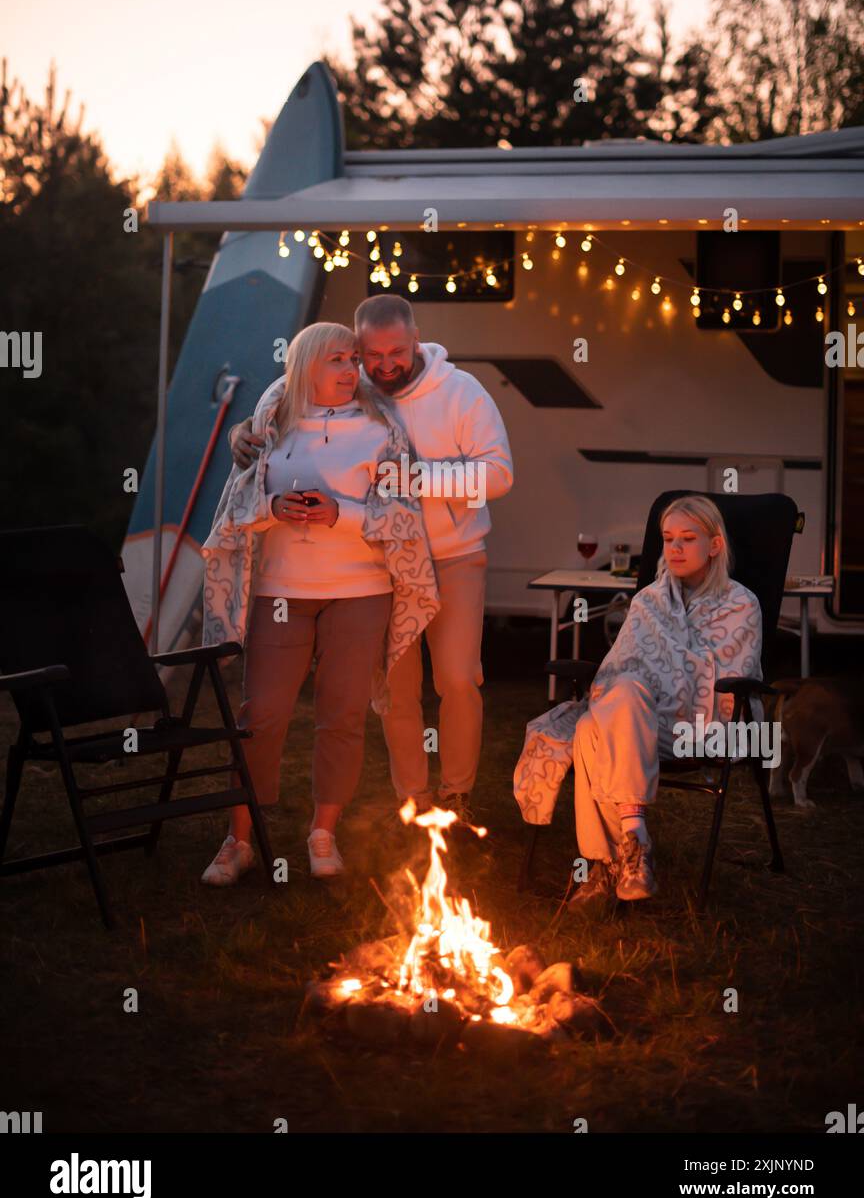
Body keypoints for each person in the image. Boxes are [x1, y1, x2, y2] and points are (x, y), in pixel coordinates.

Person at [229, 295, 514, 824]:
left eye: (396, 352)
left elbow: (498, 474)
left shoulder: (461, 392)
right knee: (394, 688)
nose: (384, 364)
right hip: (384, 560)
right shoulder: (352, 389)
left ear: (416, 338)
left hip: (452, 555)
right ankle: (414, 796)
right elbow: (284, 409)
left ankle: (457, 793)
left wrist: (418, 479)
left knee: (455, 677)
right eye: (370, 354)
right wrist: (239, 435)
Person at [199, 321, 438, 886]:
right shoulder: (269, 424)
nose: (351, 369)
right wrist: (273, 507)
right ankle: (239, 837)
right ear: (305, 365)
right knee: (262, 715)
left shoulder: (381, 429)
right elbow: (237, 506)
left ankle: (322, 830)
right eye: (338, 359)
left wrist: (342, 513)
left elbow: (405, 515)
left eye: (353, 359)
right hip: (281, 591)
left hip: (360, 591)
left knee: (343, 714)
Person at [514, 495, 763, 905]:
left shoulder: (741, 604)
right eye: (668, 539)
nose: (676, 549)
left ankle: (605, 867)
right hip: (636, 719)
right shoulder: (650, 600)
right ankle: (634, 848)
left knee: (598, 724)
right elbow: (621, 665)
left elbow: (730, 675)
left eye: (688, 538)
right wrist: (642, 682)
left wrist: (665, 670)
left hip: (697, 726)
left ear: (714, 545)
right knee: (609, 710)